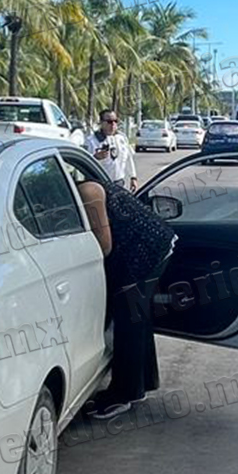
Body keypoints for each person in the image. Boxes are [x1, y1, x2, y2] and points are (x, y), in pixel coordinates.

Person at [70, 170, 176, 421]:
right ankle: (142, 384)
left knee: (129, 318)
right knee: (137, 318)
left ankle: (123, 395)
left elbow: (104, 245)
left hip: (146, 251)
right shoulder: (86, 189)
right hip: (147, 247)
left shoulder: (88, 193)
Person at [85, 109, 137, 190]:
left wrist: (133, 177)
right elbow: (85, 162)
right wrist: (95, 157)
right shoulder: (91, 141)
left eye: (115, 121)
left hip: (119, 183)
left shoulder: (121, 138)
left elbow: (128, 159)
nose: (113, 124)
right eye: (109, 122)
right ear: (101, 123)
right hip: (100, 184)